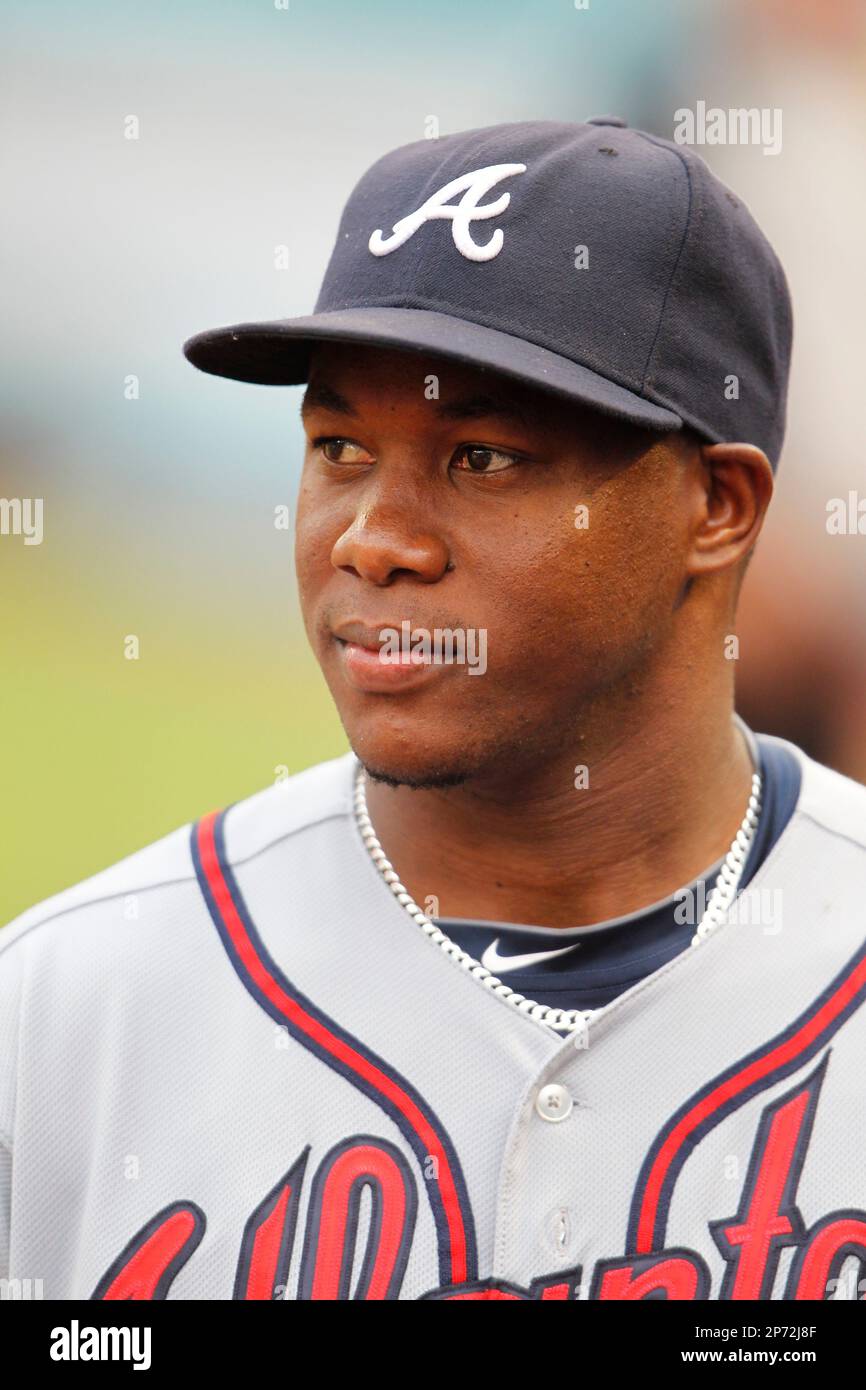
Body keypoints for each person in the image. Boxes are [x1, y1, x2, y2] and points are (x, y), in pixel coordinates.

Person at [2, 120, 865, 1302]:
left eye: (482, 458)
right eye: (340, 446)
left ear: (714, 505)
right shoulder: (62, 1015)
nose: (373, 538)